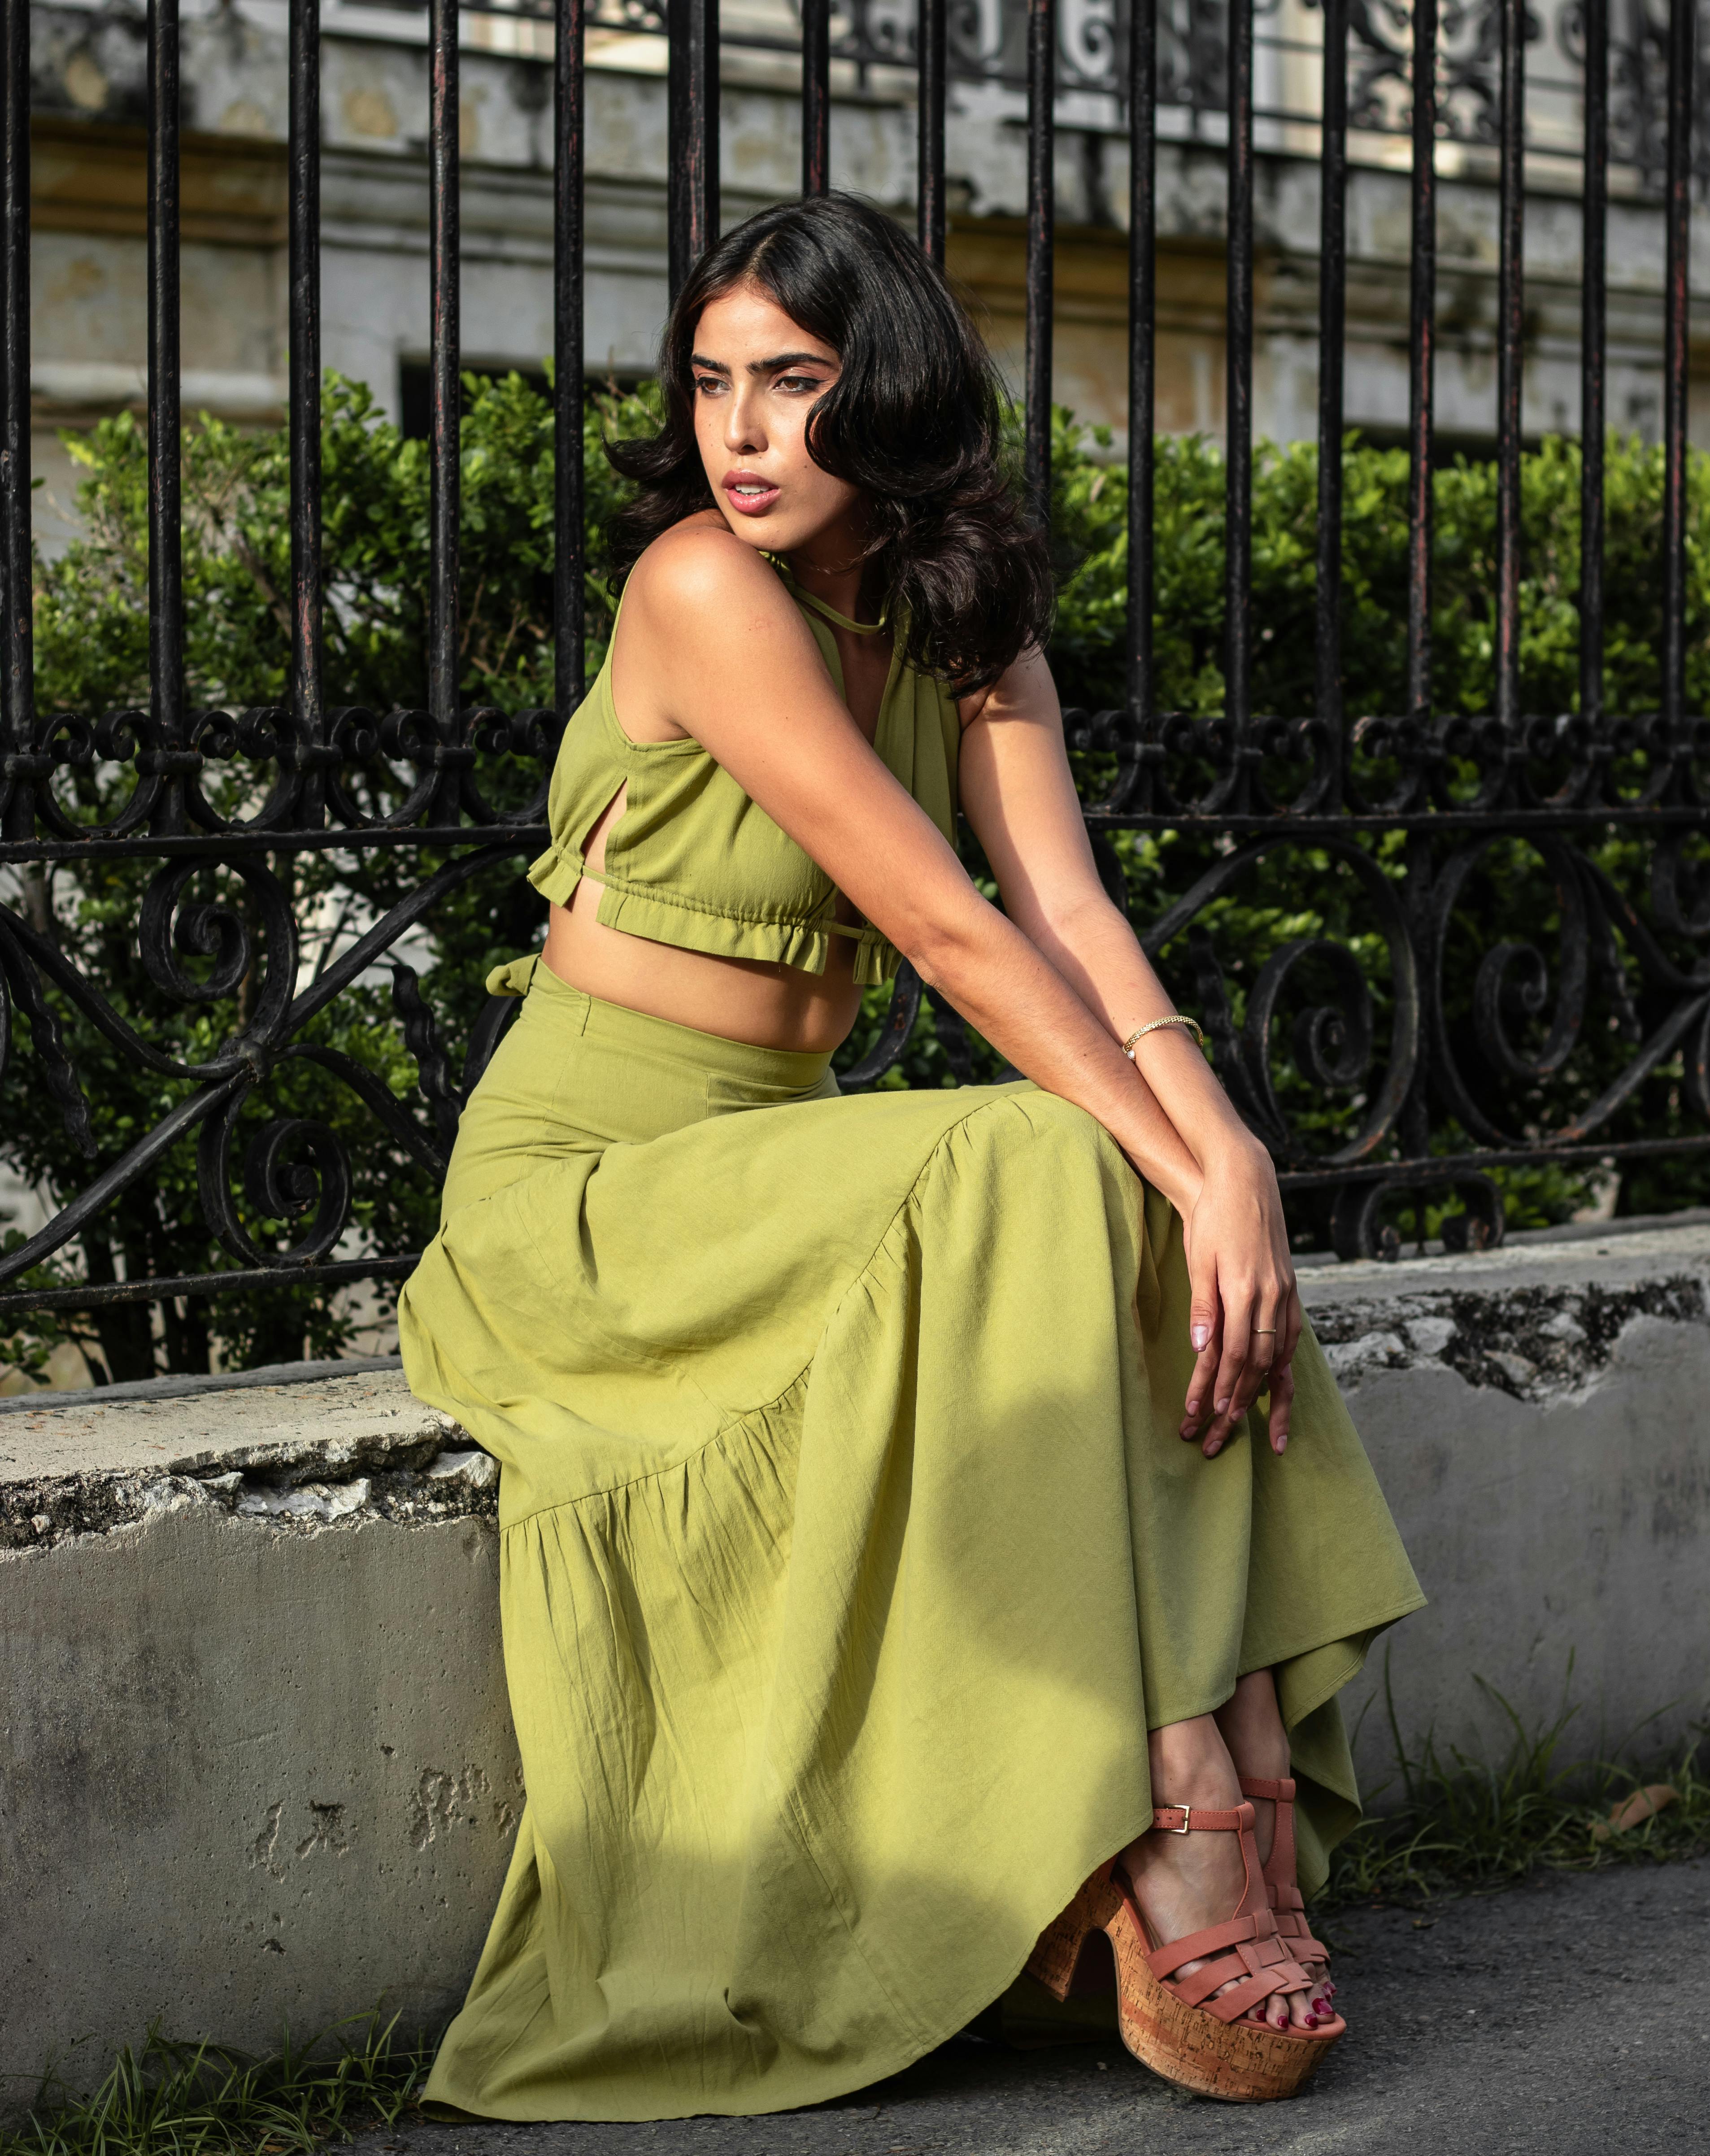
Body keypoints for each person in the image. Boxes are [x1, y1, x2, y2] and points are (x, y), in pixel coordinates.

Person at [397, 192, 1423, 2118]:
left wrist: (1226, 1158)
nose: (738, 431)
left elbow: (1072, 920)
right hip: (590, 1194)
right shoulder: (700, 588)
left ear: (882, 390)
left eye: (788, 383)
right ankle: (1195, 1783)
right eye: (711, 384)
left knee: (1115, 1167)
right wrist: (1173, 1160)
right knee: (1061, 1156)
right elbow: (948, 934)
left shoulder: (967, 620)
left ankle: (1190, 1769)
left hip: (779, 1175)